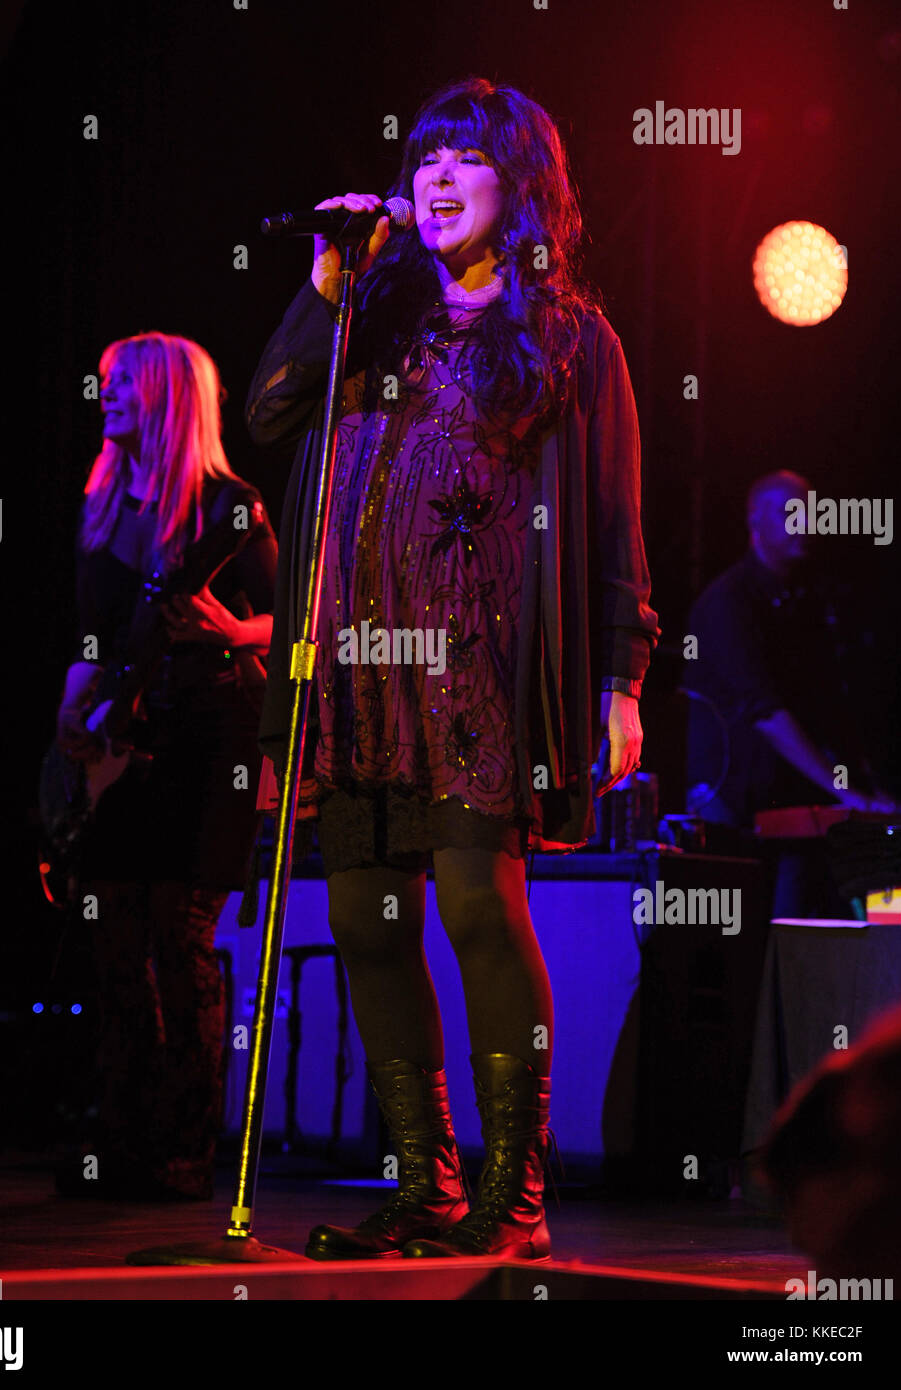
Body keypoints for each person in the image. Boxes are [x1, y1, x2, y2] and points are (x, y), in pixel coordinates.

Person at [244, 77, 659, 1259]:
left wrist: (620, 676)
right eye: (423, 157)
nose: (434, 178)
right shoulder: (367, 317)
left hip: (479, 670)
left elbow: (614, 523)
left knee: (480, 907)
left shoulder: (571, 339)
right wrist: (325, 286)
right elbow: (268, 418)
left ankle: (511, 1193)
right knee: (365, 919)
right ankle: (422, 1180)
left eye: (464, 158)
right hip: (358, 669)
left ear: (518, 187)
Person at [54, 332, 277, 1200]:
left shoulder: (230, 506)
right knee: (115, 936)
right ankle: (124, 1136)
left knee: (180, 936)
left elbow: (302, 615)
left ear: (168, 395)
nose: (105, 394)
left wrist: (234, 630)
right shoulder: (104, 503)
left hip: (211, 735)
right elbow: (94, 636)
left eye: (122, 383)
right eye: (103, 381)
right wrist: (71, 720)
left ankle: (186, 1151)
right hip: (127, 741)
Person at [684, 470, 900, 915]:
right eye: (791, 512)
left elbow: (827, 705)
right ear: (755, 519)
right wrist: (845, 792)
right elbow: (764, 711)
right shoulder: (728, 602)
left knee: (809, 920)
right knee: (753, 929)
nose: (806, 523)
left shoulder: (805, 601)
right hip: (734, 806)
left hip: (793, 804)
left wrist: (863, 787)